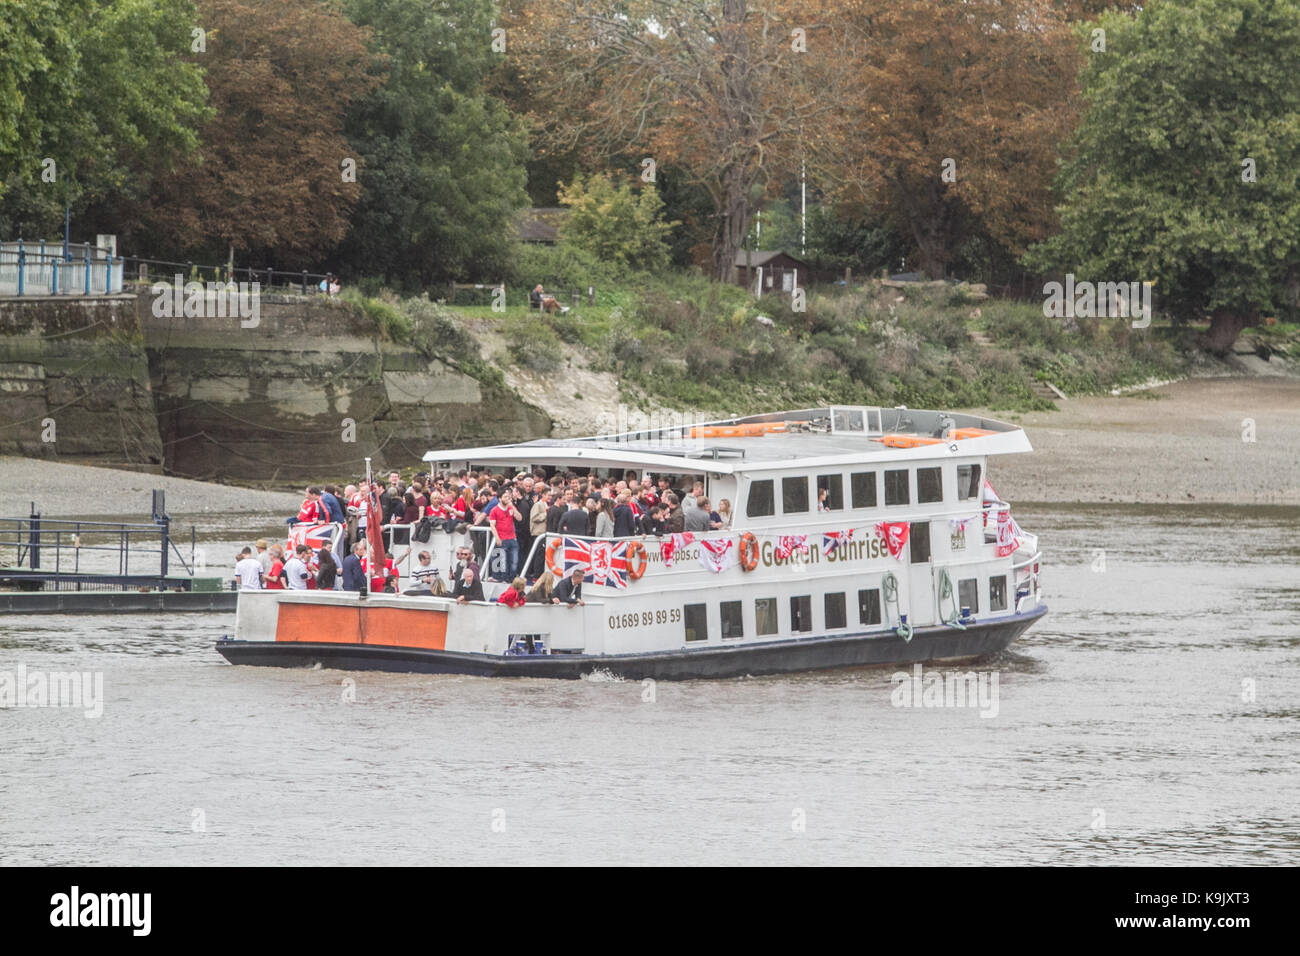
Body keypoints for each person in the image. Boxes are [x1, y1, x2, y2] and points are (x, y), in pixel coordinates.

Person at [488, 489, 522, 581]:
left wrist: (513, 507)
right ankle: (501, 578)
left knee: (514, 561)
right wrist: (497, 538)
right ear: (500, 499)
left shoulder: (511, 508)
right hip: (502, 538)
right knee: (502, 561)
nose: (508, 499)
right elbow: (492, 525)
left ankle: (512, 578)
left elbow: (519, 518)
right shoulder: (494, 510)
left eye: (508, 497)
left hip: (512, 538)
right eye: (505, 497)